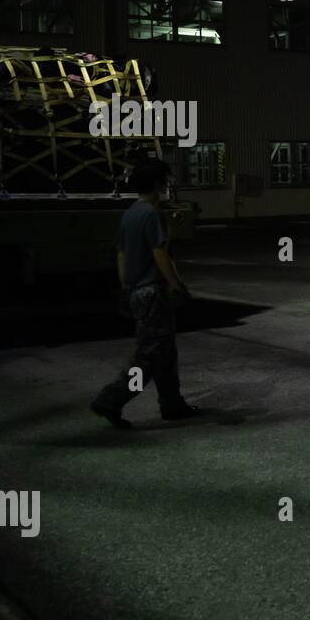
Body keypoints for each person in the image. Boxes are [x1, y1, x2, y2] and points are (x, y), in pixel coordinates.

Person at [91, 160, 200, 428]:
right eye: (165, 180)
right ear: (156, 184)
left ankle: (173, 405)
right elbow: (159, 253)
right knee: (150, 355)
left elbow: (120, 254)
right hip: (153, 292)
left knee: (165, 353)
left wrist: (126, 285)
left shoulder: (130, 213)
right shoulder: (152, 214)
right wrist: (177, 286)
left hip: (137, 290)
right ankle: (111, 400)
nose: (167, 185)